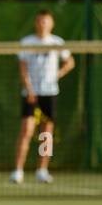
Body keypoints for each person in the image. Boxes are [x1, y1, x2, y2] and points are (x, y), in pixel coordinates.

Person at [9, 10, 74, 185]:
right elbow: (22, 68)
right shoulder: (27, 42)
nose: (42, 24)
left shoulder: (57, 42)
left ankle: (42, 170)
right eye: (39, 21)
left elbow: (70, 62)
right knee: (27, 131)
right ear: (35, 23)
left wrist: (58, 74)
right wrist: (29, 89)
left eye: (45, 21)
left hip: (50, 93)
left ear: (51, 23)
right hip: (31, 94)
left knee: (46, 134)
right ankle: (18, 171)